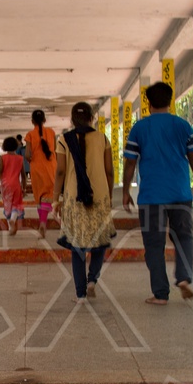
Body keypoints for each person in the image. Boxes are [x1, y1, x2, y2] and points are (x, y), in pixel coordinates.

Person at [122, 81, 193, 304]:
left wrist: (125, 191)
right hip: (180, 194)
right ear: (170, 102)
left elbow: (130, 164)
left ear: (149, 104)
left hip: (151, 197)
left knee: (154, 244)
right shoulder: (183, 126)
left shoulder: (139, 129)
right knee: (184, 237)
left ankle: (160, 294)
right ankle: (183, 277)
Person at [54, 102, 116, 301]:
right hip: (99, 196)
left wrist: (56, 199)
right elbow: (109, 171)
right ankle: (92, 280)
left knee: (77, 245)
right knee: (100, 241)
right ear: (92, 118)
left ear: (72, 120)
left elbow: (61, 171)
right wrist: (109, 195)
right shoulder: (102, 139)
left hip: (74, 198)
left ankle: (80, 292)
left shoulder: (64, 140)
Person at [27, 109, 57, 237]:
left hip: (36, 168)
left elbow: (28, 154)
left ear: (32, 121)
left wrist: (31, 158)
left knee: (39, 196)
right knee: (48, 195)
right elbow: (54, 148)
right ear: (44, 120)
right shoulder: (51, 132)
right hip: (51, 167)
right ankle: (44, 222)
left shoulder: (30, 135)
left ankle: (42, 222)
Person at [0, 136, 26, 235]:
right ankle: (13, 220)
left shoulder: (3, 158)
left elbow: (0, 171)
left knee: (7, 205)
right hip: (16, 184)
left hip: (5, 185)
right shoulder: (20, 158)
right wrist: (24, 187)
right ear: (16, 146)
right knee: (16, 204)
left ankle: (10, 227)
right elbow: (23, 175)